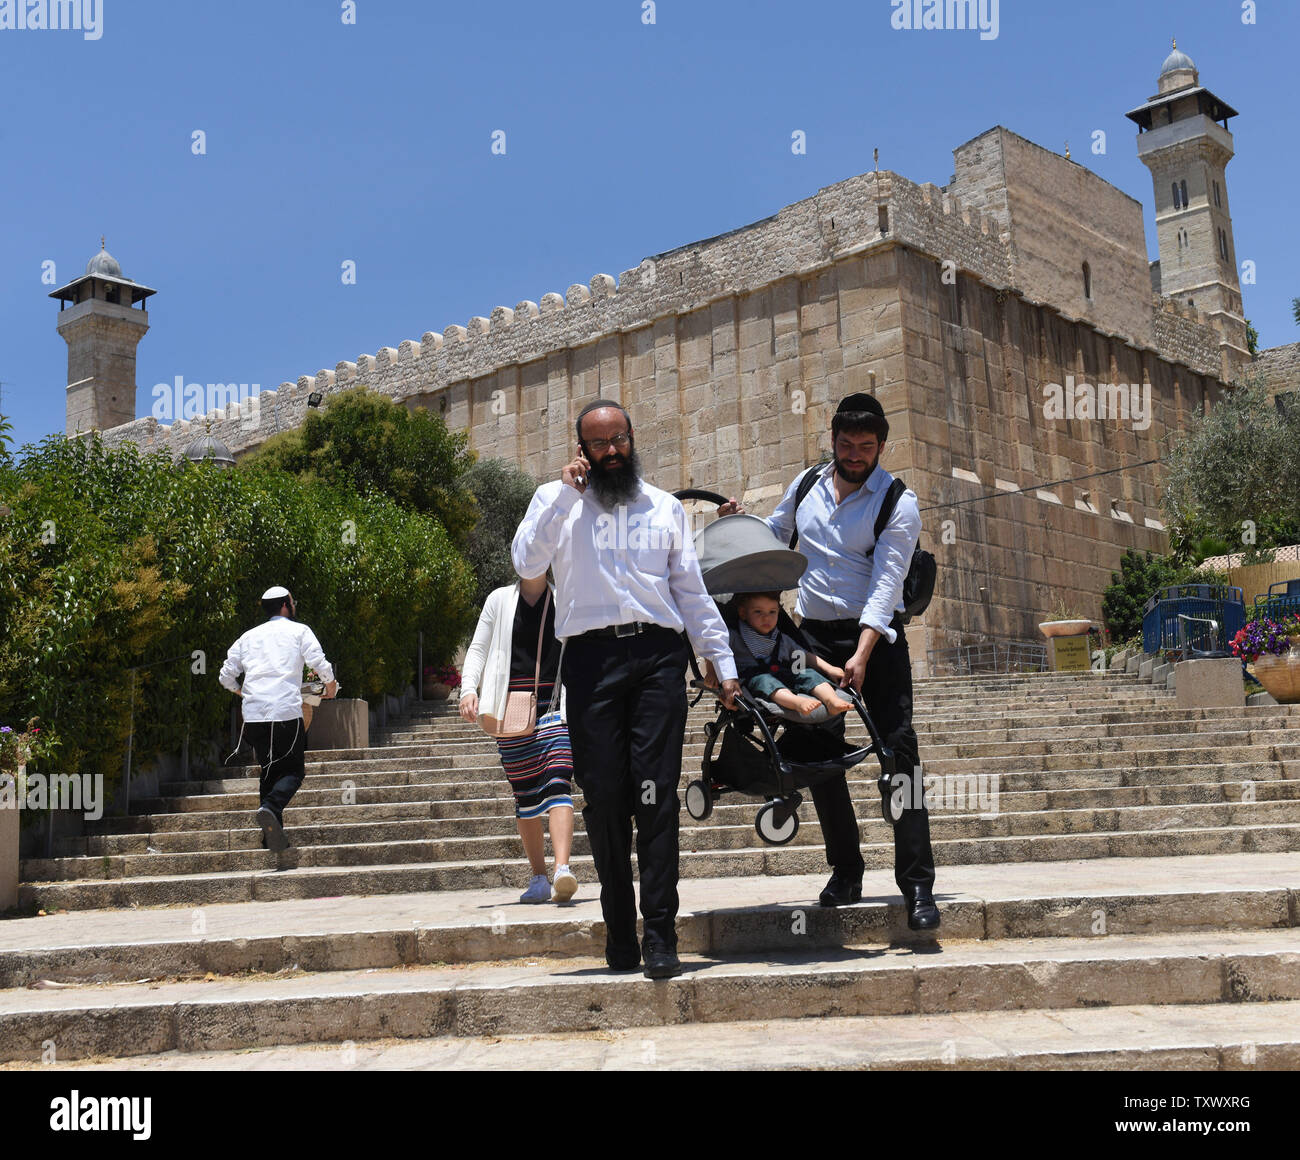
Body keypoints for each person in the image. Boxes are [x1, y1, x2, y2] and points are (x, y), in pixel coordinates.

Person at [512, 399, 740, 980]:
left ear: (632, 440)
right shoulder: (553, 502)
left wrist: (721, 658)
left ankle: (661, 933)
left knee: (655, 795)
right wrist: (565, 495)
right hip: (590, 663)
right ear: (580, 448)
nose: (611, 452)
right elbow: (525, 561)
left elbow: (691, 591)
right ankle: (620, 929)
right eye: (598, 443)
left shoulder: (663, 507)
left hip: (658, 658)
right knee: (607, 798)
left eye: (620, 440)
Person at [718, 393, 939, 930]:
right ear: (833, 440)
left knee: (899, 752)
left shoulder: (897, 503)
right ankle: (846, 871)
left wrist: (862, 652)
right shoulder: (808, 483)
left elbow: (887, 582)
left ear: (882, 446)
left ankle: (916, 885)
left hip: (876, 641)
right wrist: (737, 523)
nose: (856, 454)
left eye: (867, 446)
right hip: (811, 638)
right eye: (847, 444)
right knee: (817, 756)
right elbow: (774, 538)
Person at [459, 573, 578, 905]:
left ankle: (562, 869)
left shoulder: (565, 598)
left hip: (555, 707)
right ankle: (538, 877)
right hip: (511, 709)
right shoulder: (499, 600)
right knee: (526, 796)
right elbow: (478, 649)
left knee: (558, 783)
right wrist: (468, 688)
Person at [219, 585, 337, 853]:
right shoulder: (299, 631)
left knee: (269, 771)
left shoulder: (247, 637)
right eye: (293, 602)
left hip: (254, 716)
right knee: (294, 770)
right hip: (285, 711)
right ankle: (271, 807)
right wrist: (330, 684)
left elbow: (225, 676)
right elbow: (317, 660)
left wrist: (241, 692)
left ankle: (271, 837)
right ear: (286, 604)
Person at [731, 591, 852, 717]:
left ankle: (831, 700)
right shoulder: (734, 636)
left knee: (807, 673)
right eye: (758, 612)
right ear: (743, 613)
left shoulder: (781, 638)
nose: (766, 617)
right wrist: (712, 671)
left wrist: (829, 668)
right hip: (753, 680)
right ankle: (797, 702)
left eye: (772, 612)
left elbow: (804, 655)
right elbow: (716, 651)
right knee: (765, 680)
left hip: (782, 674)